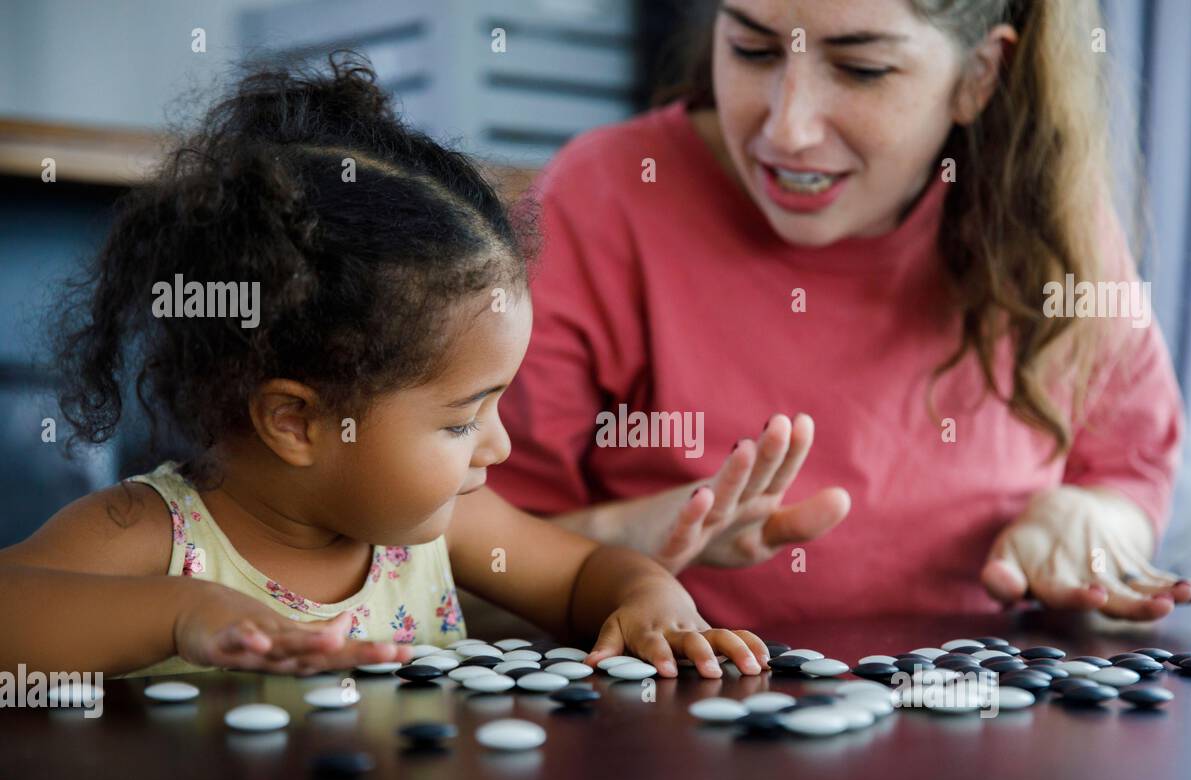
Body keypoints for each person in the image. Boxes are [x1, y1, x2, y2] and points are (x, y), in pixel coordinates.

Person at [0, 56, 767, 681]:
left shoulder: (435, 530)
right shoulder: (154, 536)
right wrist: (179, 614)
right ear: (296, 421)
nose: (497, 447)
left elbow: (584, 577)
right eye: (463, 418)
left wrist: (651, 596)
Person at [489, 0, 1191, 628]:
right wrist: (623, 538)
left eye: (861, 68)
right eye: (750, 49)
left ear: (980, 77)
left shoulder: (1047, 222)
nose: (787, 129)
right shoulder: (599, 201)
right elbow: (457, 559)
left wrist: (1093, 520)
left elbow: (1129, 469)